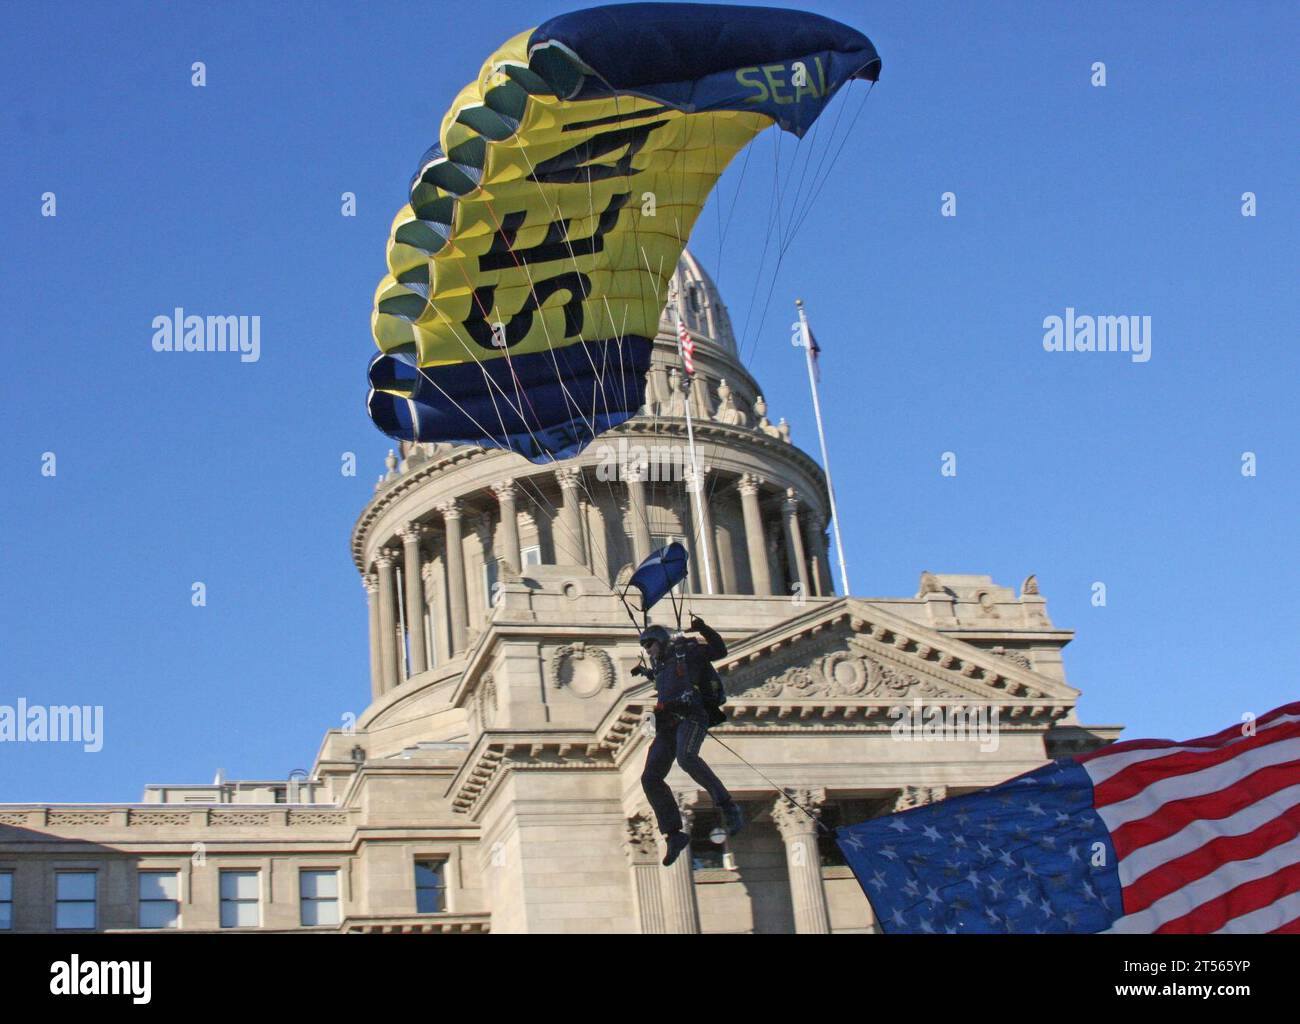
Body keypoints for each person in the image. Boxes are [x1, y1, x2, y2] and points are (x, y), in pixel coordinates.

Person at [634, 614, 745, 866]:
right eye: (644, 647)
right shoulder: (660, 668)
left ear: (661, 641)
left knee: (686, 758)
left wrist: (703, 628)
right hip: (668, 724)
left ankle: (728, 806)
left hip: (692, 716)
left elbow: (719, 650)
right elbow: (668, 682)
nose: (647, 650)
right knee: (650, 777)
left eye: (649, 644)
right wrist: (646, 673)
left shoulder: (688, 652)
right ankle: (674, 834)